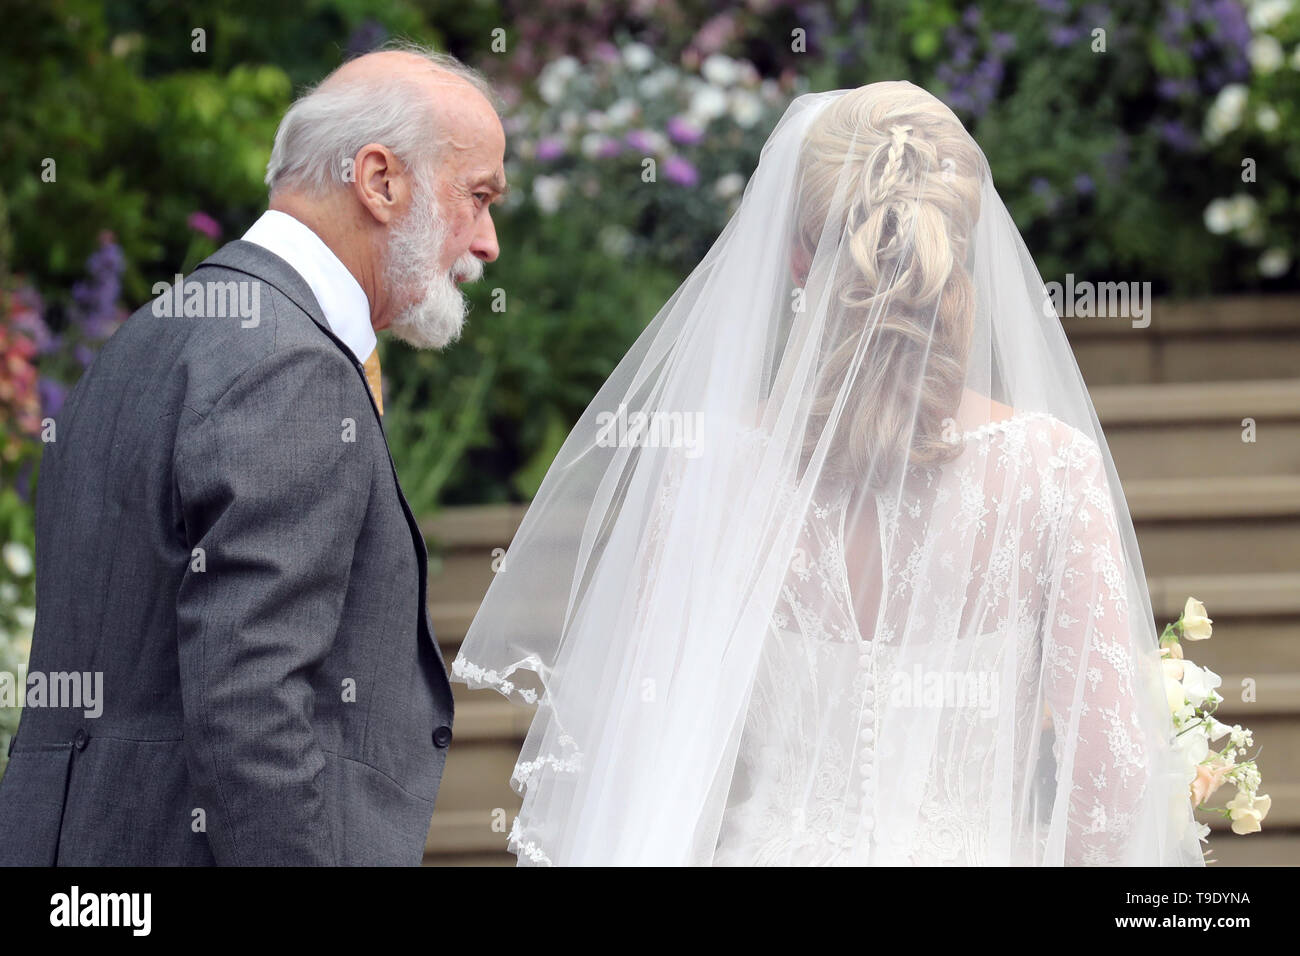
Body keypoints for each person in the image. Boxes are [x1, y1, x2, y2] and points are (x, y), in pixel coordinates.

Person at [453, 81, 1205, 866]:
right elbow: (1112, 774)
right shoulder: (1051, 470)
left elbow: (648, 747)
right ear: (959, 242)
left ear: (796, 256)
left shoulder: (710, 467)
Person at [0, 44, 505, 865]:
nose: (486, 242)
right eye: (478, 197)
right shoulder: (293, 362)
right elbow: (253, 711)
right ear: (380, 181)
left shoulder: (147, 337)